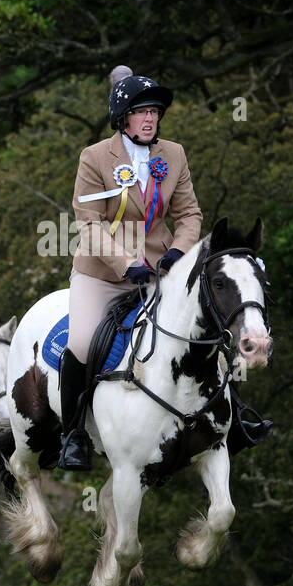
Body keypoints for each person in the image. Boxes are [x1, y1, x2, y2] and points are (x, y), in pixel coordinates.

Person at [59, 66, 204, 471]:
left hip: (159, 272)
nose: (150, 119)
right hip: (101, 274)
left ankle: (227, 416)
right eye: (141, 112)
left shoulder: (173, 154)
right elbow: (89, 223)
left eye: (155, 112)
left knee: (200, 325)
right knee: (84, 343)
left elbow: (189, 214)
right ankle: (72, 434)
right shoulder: (94, 157)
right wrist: (126, 264)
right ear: (123, 118)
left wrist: (177, 251)